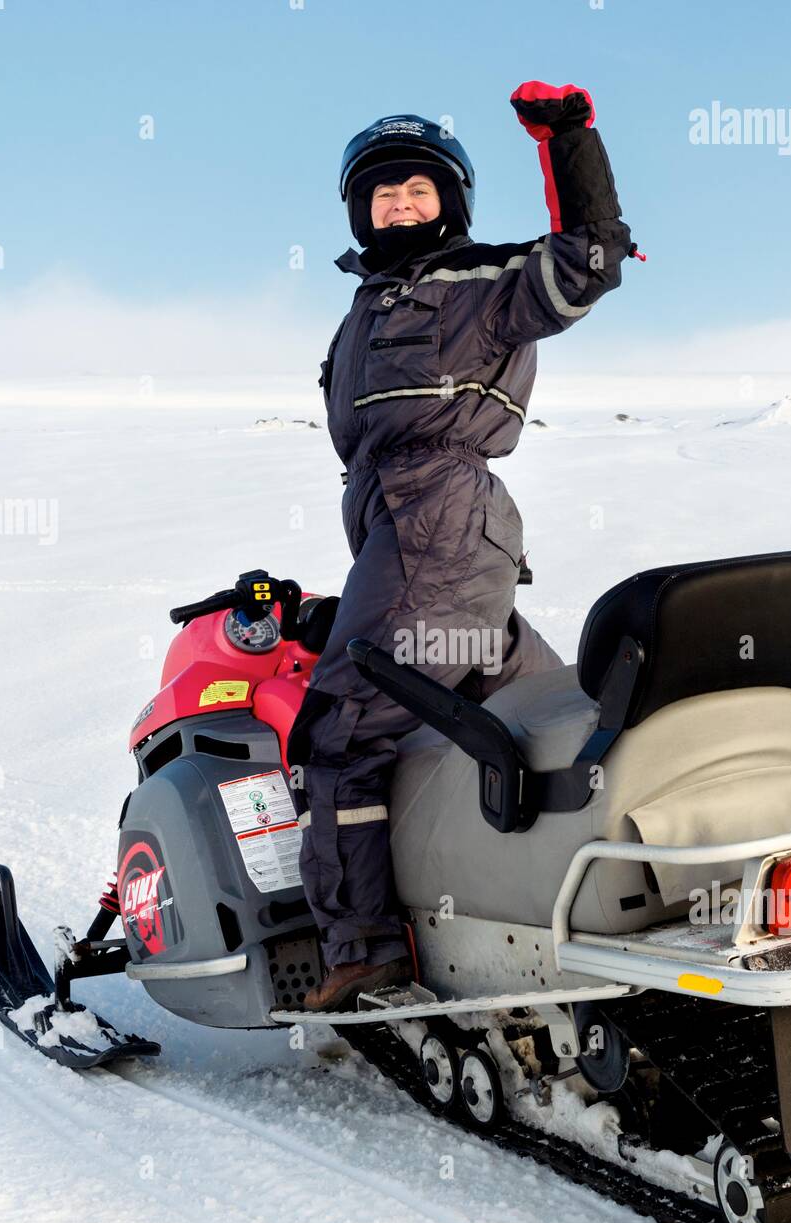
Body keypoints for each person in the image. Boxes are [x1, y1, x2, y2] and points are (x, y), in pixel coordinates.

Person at [287, 82, 639, 1011]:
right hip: (419, 538)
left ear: (452, 201)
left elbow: (587, 262)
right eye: (383, 195)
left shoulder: (479, 285)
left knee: (343, 729)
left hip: (436, 526)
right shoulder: (369, 305)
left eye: (419, 190)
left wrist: (568, 140)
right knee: (529, 719)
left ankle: (364, 951)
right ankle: (562, 903)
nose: (400, 206)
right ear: (360, 210)